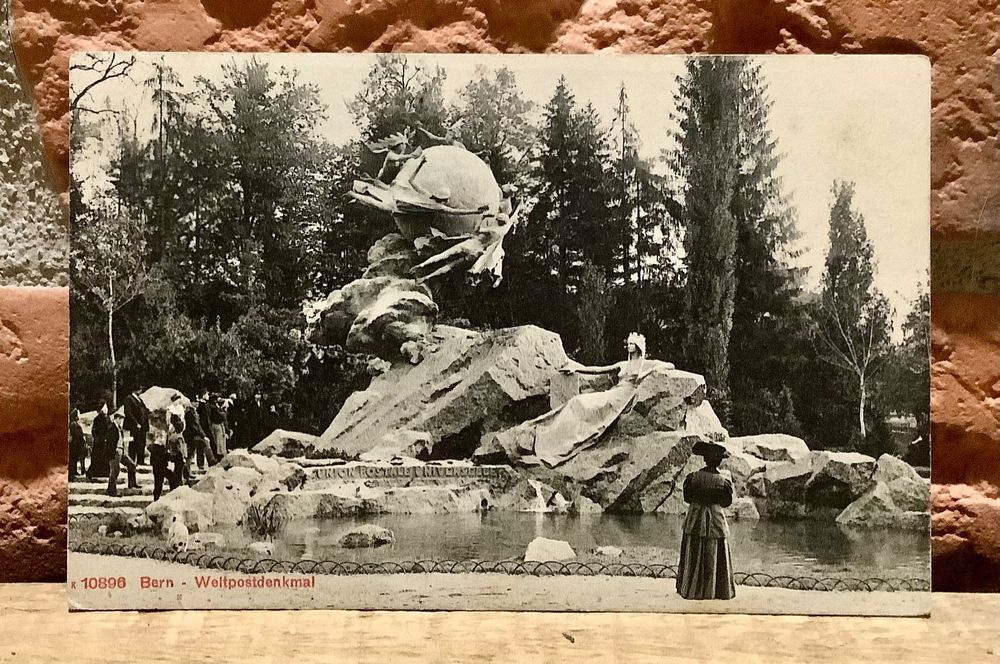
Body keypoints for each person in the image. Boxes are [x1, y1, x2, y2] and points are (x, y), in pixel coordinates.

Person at [522, 332, 659, 467]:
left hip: (620, 399)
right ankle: (553, 436)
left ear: (638, 346)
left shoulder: (644, 364)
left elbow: (668, 365)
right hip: (612, 393)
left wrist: (645, 373)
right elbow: (598, 370)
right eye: (628, 343)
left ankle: (564, 442)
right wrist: (576, 370)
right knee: (577, 401)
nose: (628, 346)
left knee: (586, 406)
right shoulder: (623, 364)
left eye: (631, 344)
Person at [676, 440, 736, 601]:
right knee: (714, 553)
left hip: (695, 517)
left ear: (704, 459)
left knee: (694, 551)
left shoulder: (692, 478)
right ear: (718, 462)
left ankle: (691, 588)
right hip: (715, 519)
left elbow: (687, 498)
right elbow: (726, 502)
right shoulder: (723, 482)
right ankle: (716, 590)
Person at [107, 411, 139, 497]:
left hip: (121, 451)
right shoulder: (111, 427)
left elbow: (121, 439)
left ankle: (132, 484)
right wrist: (112, 453)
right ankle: (111, 490)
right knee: (115, 471)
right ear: (116, 418)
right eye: (120, 419)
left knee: (132, 464)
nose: (121, 421)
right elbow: (110, 442)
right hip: (115, 452)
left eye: (122, 419)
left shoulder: (119, 428)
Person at [184, 398, 216, 472]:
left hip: (193, 435)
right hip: (192, 435)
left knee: (190, 454)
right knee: (205, 444)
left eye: (197, 402)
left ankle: (187, 471)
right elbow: (195, 426)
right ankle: (212, 462)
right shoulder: (190, 412)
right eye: (195, 402)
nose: (197, 404)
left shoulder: (193, 411)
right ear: (191, 403)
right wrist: (203, 435)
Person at [123, 387, 150, 466]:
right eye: (139, 389)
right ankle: (132, 461)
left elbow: (143, 410)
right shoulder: (129, 399)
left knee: (141, 443)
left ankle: (140, 460)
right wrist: (136, 423)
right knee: (133, 443)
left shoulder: (139, 400)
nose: (141, 391)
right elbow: (128, 412)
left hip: (142, 426)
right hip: (134, 426)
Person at [86, 399, 113, 480]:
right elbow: (94, 430)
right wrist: (100, 437)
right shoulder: (99, 418)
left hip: (103, 441)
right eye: (105, 407)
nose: (106, 409)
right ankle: (96, 472)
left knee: (102, 457)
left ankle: (102, 472)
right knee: (98, 457)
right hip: (100, 441)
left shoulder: (106, 418)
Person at [68, 409, 88, 480]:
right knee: (74, 458)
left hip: (76, 443)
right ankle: (73, 472)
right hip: (76, 444)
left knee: (75, 459)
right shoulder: (74, 424)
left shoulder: (74, 423)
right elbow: (77, 434)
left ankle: (74, 471)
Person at [208, 394, 229, 460]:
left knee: (220, 440)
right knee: (219, 441)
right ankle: (219, 454)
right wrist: (223, 413)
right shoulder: (213, 408)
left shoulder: (214, 407)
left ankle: (220, 453)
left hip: (218, 425)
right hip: (217, 425)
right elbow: (220, 416)